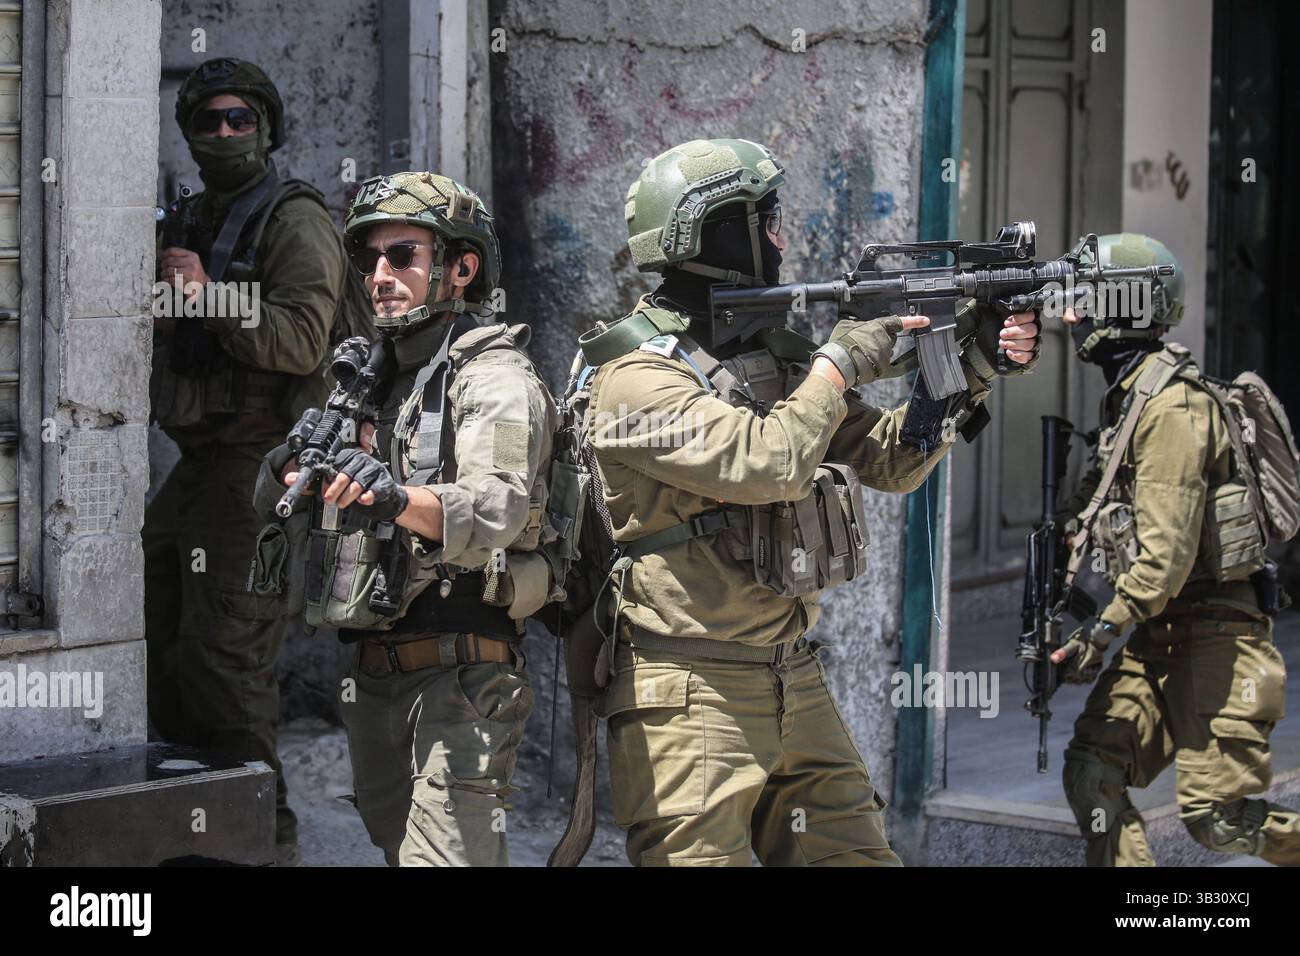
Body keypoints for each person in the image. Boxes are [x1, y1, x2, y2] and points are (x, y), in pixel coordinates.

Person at [576, 138, 1040, 866]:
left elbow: (890, 461)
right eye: (765, 222)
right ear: (713, 230)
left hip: (790, 672)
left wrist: (976, 362)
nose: (781, 239)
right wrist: (840, 358)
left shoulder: (761, 357)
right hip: (690, 693)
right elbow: (768, 464)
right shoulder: (634, 380)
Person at [255, 172, 555, 866]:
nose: (379, 275)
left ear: (460, 267)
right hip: (372, 679)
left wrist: (392, 497)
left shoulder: (495, 378)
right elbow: (269, 500)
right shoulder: (368, 378)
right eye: (368, 260)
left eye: (402, 256)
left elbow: (498, 509)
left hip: (462, 679)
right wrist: (290, 468)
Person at [146, 57, 344, 866]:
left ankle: (267, 844)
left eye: (240, 120)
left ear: (266, 129)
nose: (224, 133)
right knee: (163, 646)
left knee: (229, 665)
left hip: (258, 465)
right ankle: (203, 834)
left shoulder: (294, 220)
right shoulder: (192, 219)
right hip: (196, 463)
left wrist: (208, 298)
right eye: (208, 121)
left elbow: (303, 338)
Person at [1053, 233, 1299, 866]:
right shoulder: (1131, 400)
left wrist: (1097, 634)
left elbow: (1164, 558)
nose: (1074, 314)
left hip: (1220, 635)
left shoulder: (1171, 407)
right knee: (1093, 773)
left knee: (1219, 821)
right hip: (1163, 635)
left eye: (1088, 298)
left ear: (1128, 306)